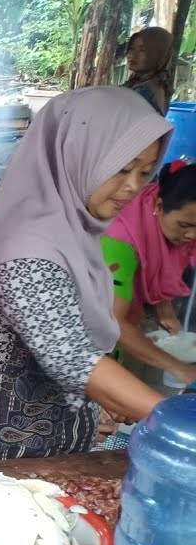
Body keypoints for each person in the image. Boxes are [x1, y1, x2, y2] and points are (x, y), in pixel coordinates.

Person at [0, 87, 172, 462]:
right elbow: (75, 358)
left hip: (58, 449)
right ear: (77, 154)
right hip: (0, 461)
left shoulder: (73, 233)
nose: (133, 186)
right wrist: (176, 420)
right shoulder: (22, 247)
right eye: (121, 168)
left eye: (145, 172)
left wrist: (93, 404)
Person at [103, 159, 196, 384]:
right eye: (184, 226)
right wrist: (178, 367)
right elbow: (114, 322)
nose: (192, 236)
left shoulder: (164, 223)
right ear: (159, 206)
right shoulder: (120, 240)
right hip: (82, 342)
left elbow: (157, 267)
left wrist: (163, 309)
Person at [123, 26, 174, 115]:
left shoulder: (144, 91)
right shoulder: (141, 81)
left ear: (158, 55)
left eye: (142, 50)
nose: (131, 54)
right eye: (131, 48)